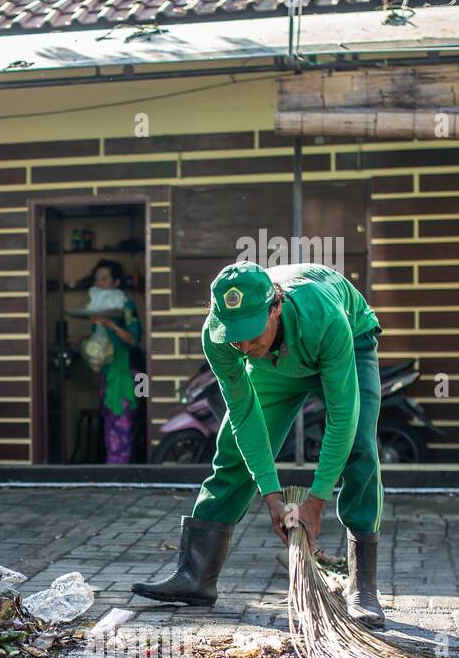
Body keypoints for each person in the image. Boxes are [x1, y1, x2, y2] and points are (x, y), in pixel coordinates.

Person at [132, 261, 386, 628]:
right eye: (236, 338)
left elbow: (342, 418)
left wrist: (315, 501)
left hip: (347, 343)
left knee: (360, 447)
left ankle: (363, 587)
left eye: (252, 335)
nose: (246, 347)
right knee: (234, 450)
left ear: (276, 306)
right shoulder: (220, 338)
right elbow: (244, 417)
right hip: (278, 366)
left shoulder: (325, 316)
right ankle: (196, 576)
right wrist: (271, 496)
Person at [85, 260, 141, 464]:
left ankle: (120, 470)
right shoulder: (95, 308)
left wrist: (111, 324)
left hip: (124, 372)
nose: (100, 283)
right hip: (107, 374)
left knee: (122, 423)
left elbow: (134, 339)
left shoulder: (126, 307)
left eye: (105, 279)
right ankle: (113, 468)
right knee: (110, 422)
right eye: (97, 279)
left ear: (116, 282)